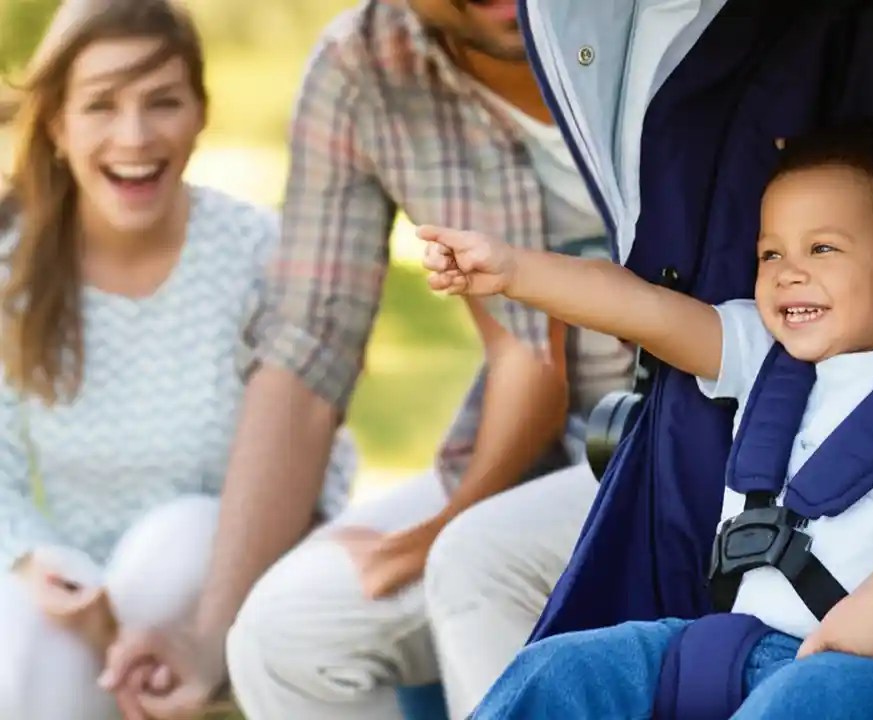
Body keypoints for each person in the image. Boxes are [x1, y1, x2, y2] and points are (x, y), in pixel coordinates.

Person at [99, 1, 635, 718]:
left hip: (709, 439)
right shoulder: (362, 72)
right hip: (538, 455)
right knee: (286, 634)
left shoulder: (657, 26)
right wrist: (209, 634)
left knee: (479, 561)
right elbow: (307, 350)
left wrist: (441, 533)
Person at [420, 120, 873, 719]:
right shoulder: (759, 351)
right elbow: (637, 306)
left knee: (797, 704)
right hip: (723, 649)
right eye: (770, 252)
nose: (789, 271)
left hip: (864, 667)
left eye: (823, 248)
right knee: (557, 670)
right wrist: (513, 272)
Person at [0, 1, 355, 718]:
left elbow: (320, 452)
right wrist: (35, 561)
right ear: (60, 126)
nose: (135, 135)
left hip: (220, 570)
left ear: (200, 112)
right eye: (100, 104)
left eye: (163, 101)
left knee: (177, 537)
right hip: (73, 575)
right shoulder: (14, 269)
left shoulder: (260, 255)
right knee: (32, 622)